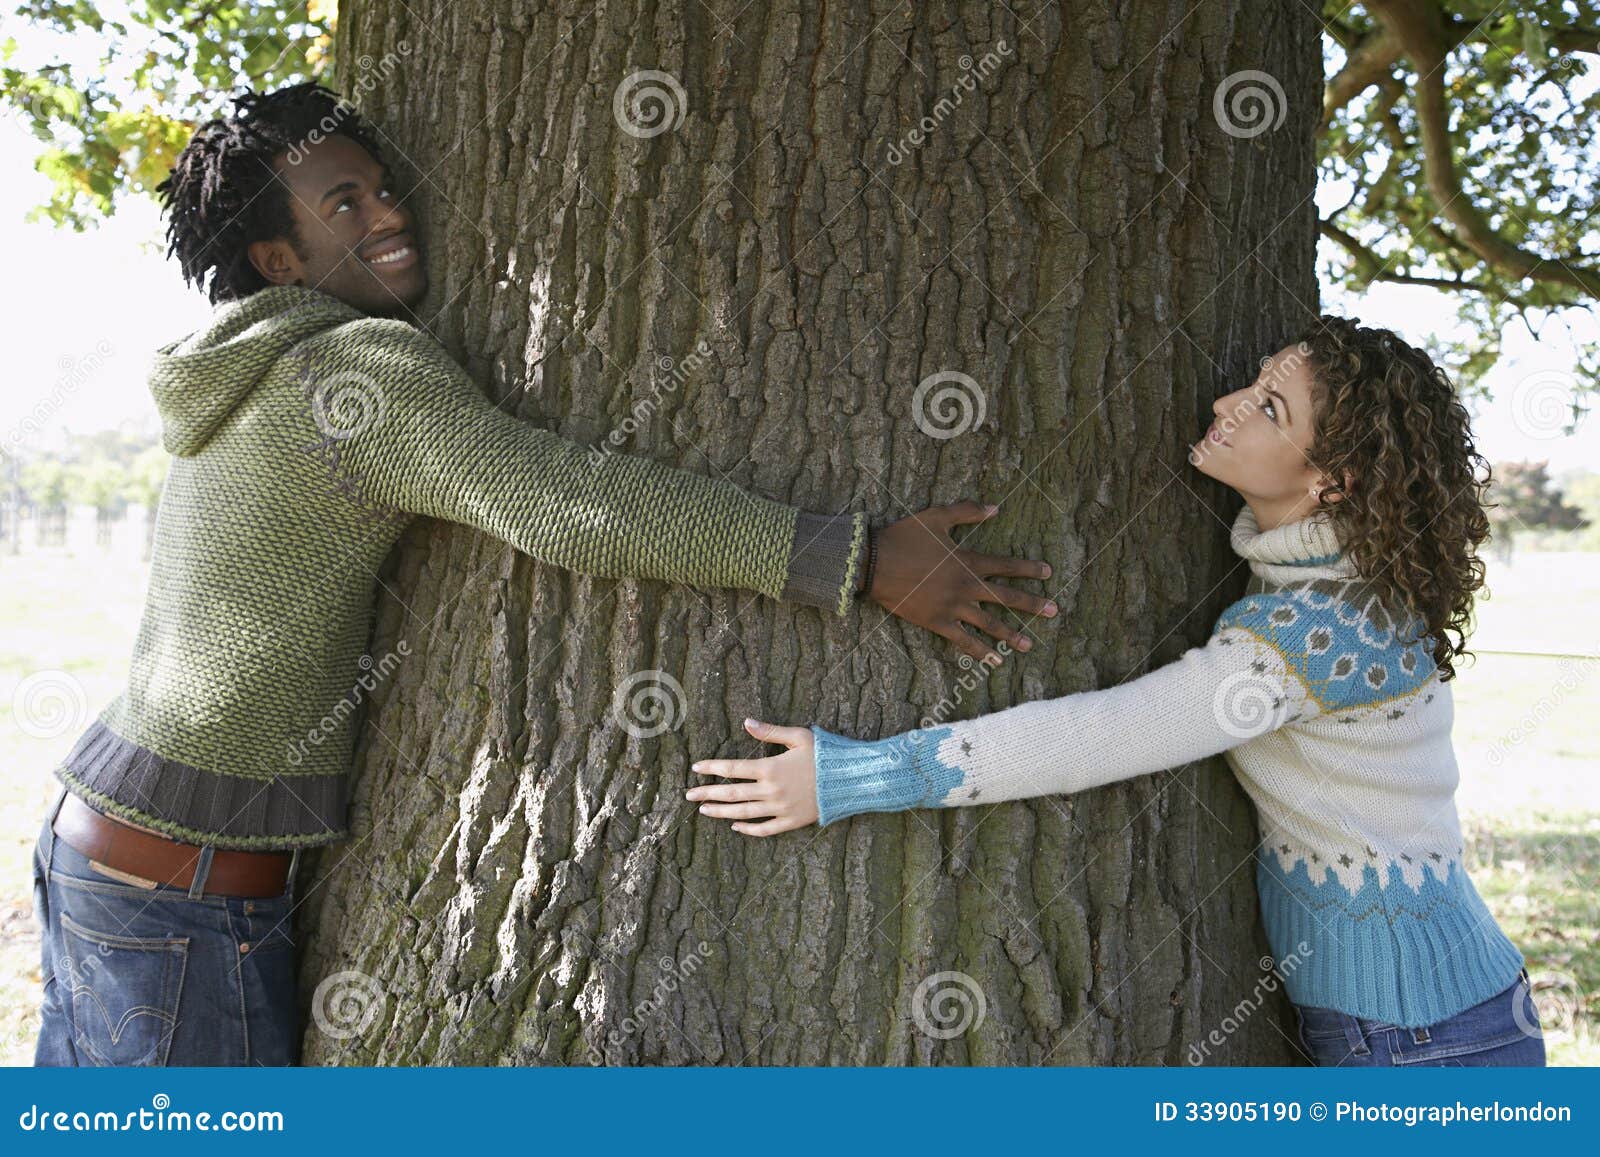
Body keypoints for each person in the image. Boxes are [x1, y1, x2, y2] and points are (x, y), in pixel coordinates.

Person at [30, 82, 1054, 1066]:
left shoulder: (240, 370)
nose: (391, 210)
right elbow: (562, 502)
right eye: (345, 202)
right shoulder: (354, 373)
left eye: (384, 185)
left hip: (107, 846)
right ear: (278, 256)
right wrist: (856, 556)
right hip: (177, 894)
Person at [687, 316, 1547, 1067]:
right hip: (1426, 1015)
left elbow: (1098, 736)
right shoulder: (1339, 588)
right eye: (1253, 385)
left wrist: (859, 775)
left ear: (1335, 484)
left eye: (1269, 409)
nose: (1226, 405)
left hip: (1424, 1038)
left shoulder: (1316, 635)